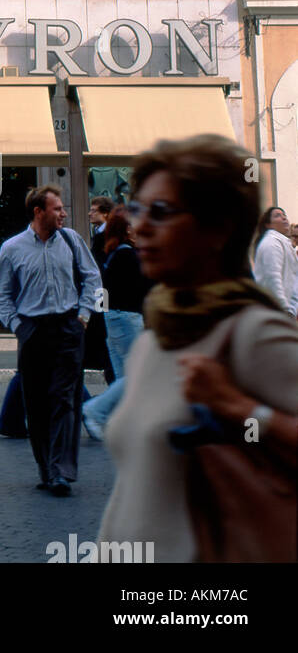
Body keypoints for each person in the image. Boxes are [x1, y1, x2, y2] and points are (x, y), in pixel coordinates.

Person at [98, 135, 298, 562]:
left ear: (217, 229)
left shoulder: (251, 332)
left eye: (162, 212)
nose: (141, 226)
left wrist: (237, 405)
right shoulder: (158, 337)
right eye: (137, 209)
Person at [0, 186, 102, 497]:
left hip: (68, 328)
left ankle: (61, 473)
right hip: (33, 331)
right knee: (37, 405)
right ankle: (47, 470)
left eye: (62, 208)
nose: (63, 213)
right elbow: (0, 292)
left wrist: (83, 315)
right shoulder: (12, 248)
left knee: (65, 400)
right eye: (57, 209)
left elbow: (92, 276)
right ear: (39, 212)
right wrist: (16, 325)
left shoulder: (71, 240)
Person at [81, 205, 152, 440]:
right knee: (137, 375)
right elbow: (144, 288)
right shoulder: (127, 255)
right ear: (125, 229)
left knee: (125, 378)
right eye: (133, 224)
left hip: (115, 319)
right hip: (127, 318)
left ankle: (120, 422)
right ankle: (96, 410)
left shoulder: (115, 253)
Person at [253, 205, 298, 317]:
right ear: (268, 225)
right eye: (278, 216)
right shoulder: (271, 242)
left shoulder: (285, 244)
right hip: (271, 312)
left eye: (284, 215)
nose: (284, 218)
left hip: (281, 313)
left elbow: (294, 282)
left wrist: (291, 310)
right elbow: (273, 277)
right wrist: (283, 309)